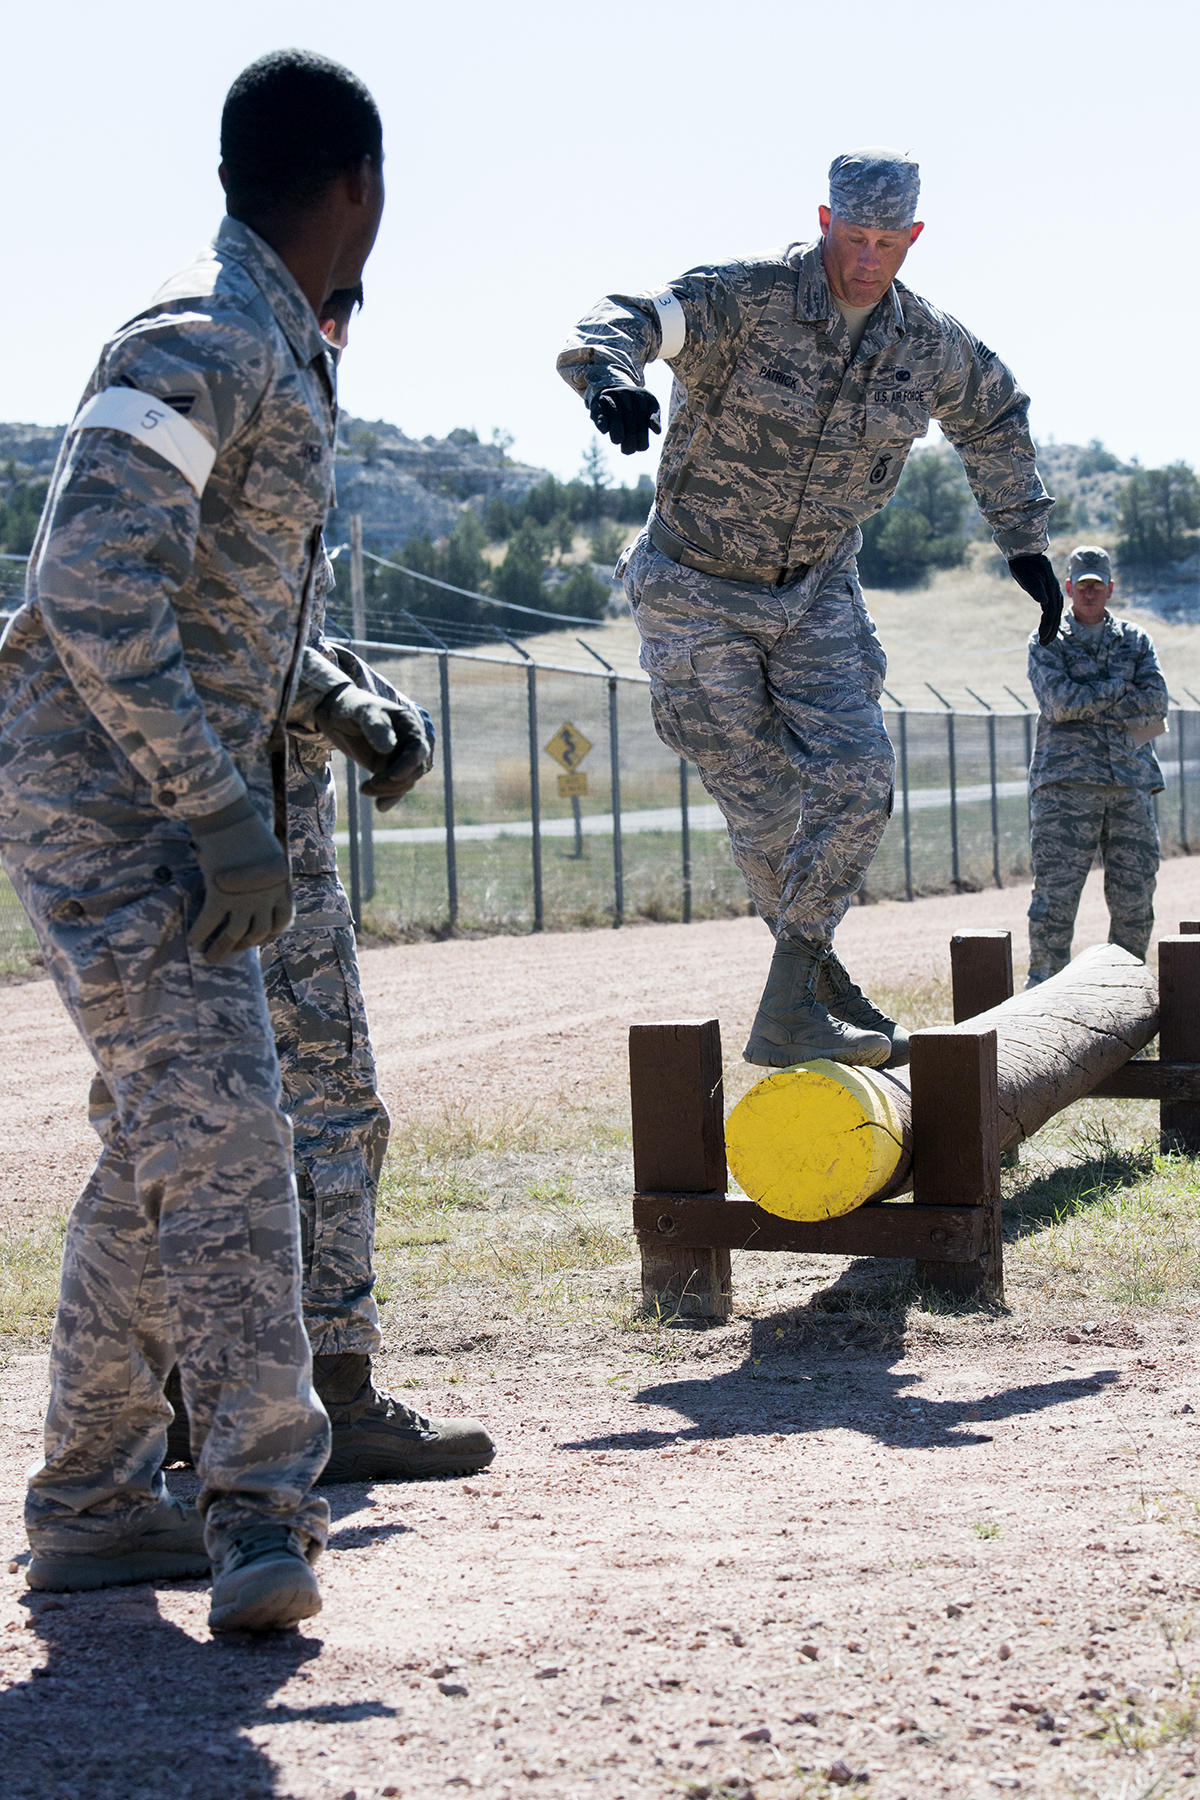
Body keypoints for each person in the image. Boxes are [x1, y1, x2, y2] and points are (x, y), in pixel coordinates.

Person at [0, 50, 383, 1633]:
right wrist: (220, 812)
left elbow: (206, 604)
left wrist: (329, 702)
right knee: (234, 1131)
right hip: (110, 803)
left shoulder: (271, 345)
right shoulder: (205, 334)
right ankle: (255, 1510)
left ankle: (93, 1500)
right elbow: (88, 590)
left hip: (163, 792)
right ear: (360, 192)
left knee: (163, 1135)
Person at [558, 147, 1060, 1070]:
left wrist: (1023, 540)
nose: (866, 260)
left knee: (860, 776)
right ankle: (817, 985)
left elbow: (993, 414)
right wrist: (609, 378)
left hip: (818, 586)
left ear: (913, 239)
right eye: (852, 237)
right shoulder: (742, 299)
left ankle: (791, 1002)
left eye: (886, 243)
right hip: (695, 591)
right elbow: (625, 318)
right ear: (824, 222)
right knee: (766, 816)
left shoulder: (927, 343)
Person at [165, 284, 496, 1483]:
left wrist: (348, 690)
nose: (334, 337)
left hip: (273, 809)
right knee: (231, 1128)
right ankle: (229, 1409)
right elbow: (183, 609)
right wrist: (333, 696)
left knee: (310, 1114)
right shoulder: (201, 391)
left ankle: (311, 1391)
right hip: (194, 828)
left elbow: (264, 619)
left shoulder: (272, 408)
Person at [1026, 545, 1168, 986]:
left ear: (1110, 588)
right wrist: (1119, 689)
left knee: (1135, 897)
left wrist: (1091, 696)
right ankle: (1043, 1000)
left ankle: (1125, 998)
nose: (1089, 592)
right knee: (1055, 900)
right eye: (1082, 585)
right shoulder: (1047, 638)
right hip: (1066, 788)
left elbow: (1157, 702)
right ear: (1068, 588)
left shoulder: (1136, 640)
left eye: (1097, 585)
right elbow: (1059, 703)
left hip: (1131, 785)